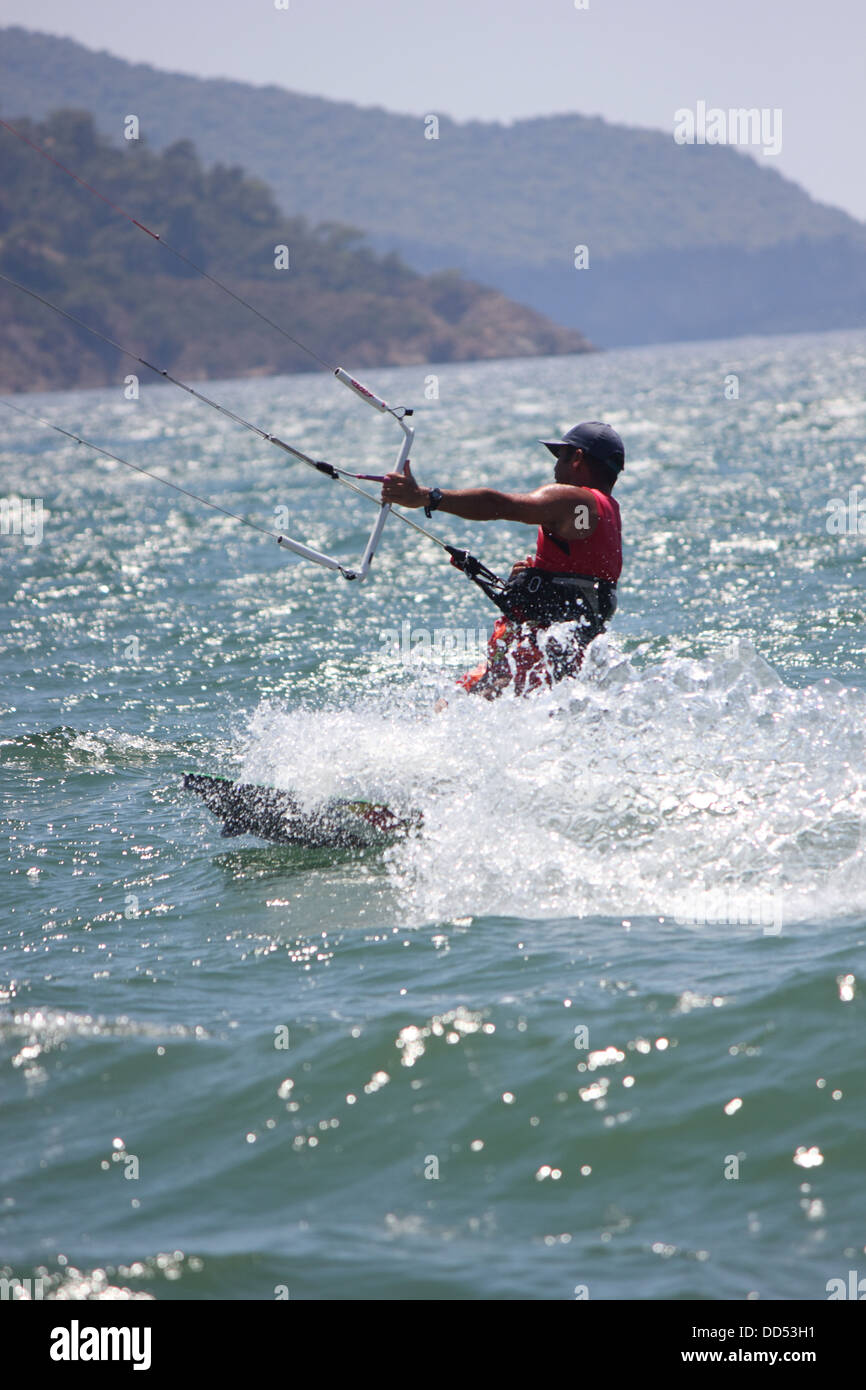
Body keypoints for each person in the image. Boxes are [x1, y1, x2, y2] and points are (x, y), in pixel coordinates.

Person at [381, 420, 624, 698]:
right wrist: (539, 577)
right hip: (563, 660)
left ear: (578, 458)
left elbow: (500, 505)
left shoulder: (575, 501)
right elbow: (580, 575)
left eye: (560, 457)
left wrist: (427, 497)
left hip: (536, 656)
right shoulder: (607, 514)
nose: (555, 468)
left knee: (455, 707)